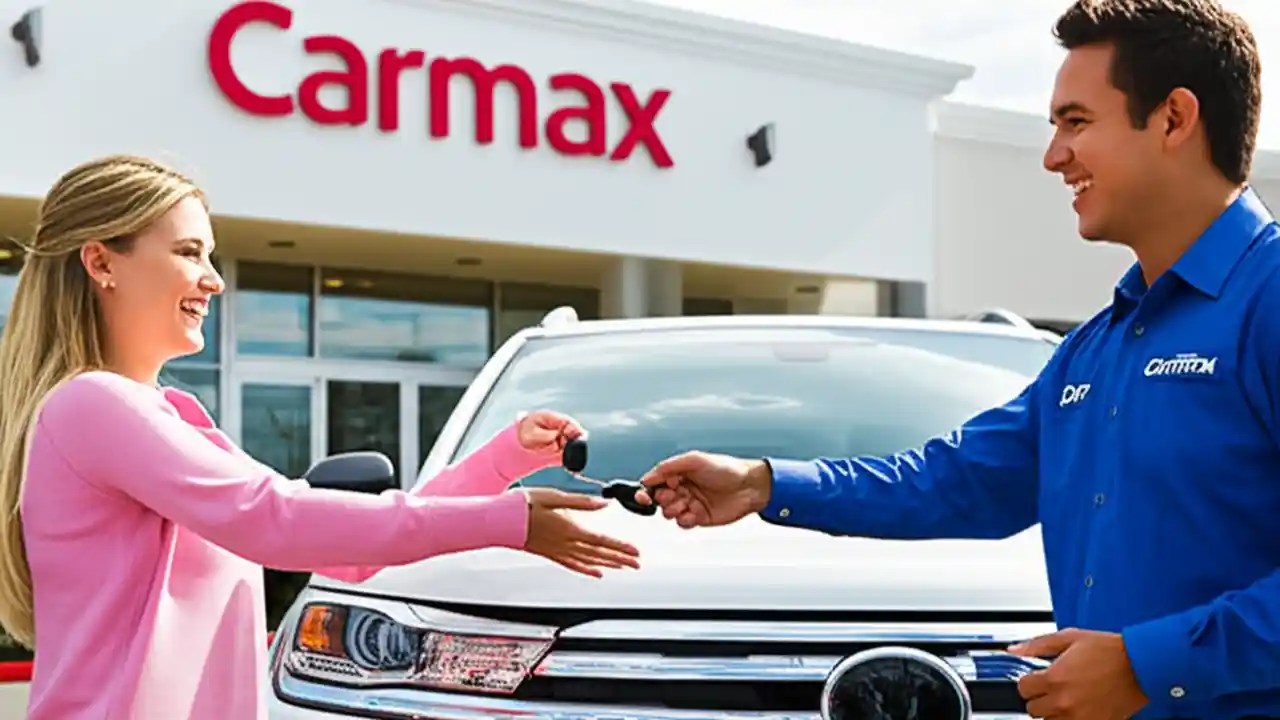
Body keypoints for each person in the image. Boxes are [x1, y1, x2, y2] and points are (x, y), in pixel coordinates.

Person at [639, 1, 1278, 719]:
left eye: (1076, 122)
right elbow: (952, 478)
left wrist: (1149, 664)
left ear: (1173, 118)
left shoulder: (1269, 297)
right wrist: (763, 483)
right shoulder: (1092, 350)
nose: (1053, 155)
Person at [0, 154, 640, 720]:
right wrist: (510, 522)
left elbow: (343, 550)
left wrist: (503, 461)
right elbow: (275, 519)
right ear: (101, 262)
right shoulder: (94, 404)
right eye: (189, 252)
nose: (214, 279)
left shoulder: (171, 413)